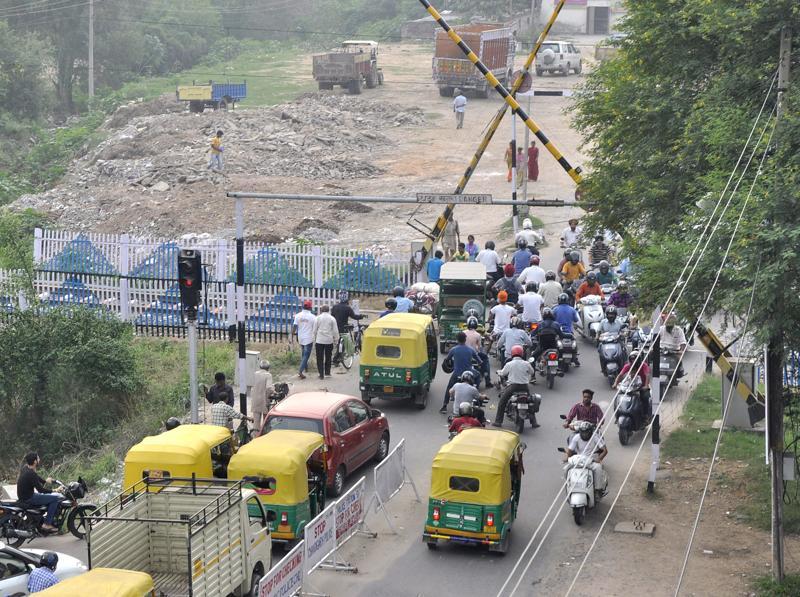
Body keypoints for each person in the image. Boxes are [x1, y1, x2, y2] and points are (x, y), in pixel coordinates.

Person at [493, 345, 538, 428]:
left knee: (502, 402)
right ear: (522, 354)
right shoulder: (526, 363)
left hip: (513, 386)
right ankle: (534, 422)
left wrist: (499, 372)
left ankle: (498, 422)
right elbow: (532, 372)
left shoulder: (509, 364)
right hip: (525, 387)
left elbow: (503, 373)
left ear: (512, 354)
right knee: (530, 402)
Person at [17, 453, 60, 533]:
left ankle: (42, 519)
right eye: (38, 458)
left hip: (24, 496)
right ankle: (47, 524)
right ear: (35, 461)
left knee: (45, 496)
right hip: (29, 498)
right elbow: (40, 489)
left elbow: (36, 477)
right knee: (55, 498)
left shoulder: (25, 468)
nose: (39, 459)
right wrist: (54, 490)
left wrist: (45, 481)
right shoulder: (30, 473)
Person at [440, 332, 480, 413]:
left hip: (457, 374)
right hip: (469, 373)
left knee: (449, 388)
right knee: (478, 375)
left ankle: (444, 405)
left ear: (457, 340)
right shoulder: (470, 349)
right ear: (465, 340)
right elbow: (479, 360)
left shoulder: (453, 349)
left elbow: (447, 360)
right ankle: (475, 395)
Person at [565, 422, 608, 496]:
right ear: (580, 432)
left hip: (591, 460)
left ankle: (598, 490)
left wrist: (599, 459)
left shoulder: (595, 437)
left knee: (598, 468)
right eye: (583, 432)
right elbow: (570, 450)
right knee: (566, 469)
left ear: (590, 432)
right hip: (579, 460)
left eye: (586, 432)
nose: (585, 434)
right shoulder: (576, 437)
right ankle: (569, 486)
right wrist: (568, 458)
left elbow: (604, 450)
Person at [614, 351, 653, 420]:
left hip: (642, 387)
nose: (633, 361)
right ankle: (618, 414)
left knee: (645, 397)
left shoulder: (644, 365)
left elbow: (647, 375)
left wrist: (646, 386)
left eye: (635, 359)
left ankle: (645, 415)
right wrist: (615, 383)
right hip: (630, 387)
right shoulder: (627, 366)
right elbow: (620, 375)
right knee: (618, 397)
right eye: (632, 359)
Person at [464, 316, 492, 387]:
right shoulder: (478, 335)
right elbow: (479, 347)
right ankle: (487, 381)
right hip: (474, 355)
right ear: (476, 325)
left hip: (465, 354)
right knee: (485, 359)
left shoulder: (463, 332)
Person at [313, 305, 339, 379]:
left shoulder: (317, 318)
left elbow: (314, 330)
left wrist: (313, 339)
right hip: (329, 340)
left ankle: (321, 374)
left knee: (319, 357)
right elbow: (335, 331)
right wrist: (336, 340)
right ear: (328, 310)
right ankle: (327, 372)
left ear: (321, 310)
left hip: (319, 340)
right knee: (328, 356)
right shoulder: (332, 319)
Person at [293, 300, 316, 379]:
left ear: (303, 306)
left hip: (300, 337)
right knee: (306, 355)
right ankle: (300, 371)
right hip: (309, 338)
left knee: (303, 353)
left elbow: (295, 326)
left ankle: (306, 368)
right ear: (310, 307)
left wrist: (292, 335)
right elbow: (315, 328)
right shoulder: (313, 317)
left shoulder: (297, 315)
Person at [250, 359, 273, 431]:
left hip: (255, 400)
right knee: (266, 421)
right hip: (264, 400)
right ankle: (264, 436)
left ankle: (255, 436)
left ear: (260, 367)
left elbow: (251, 386)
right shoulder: (268, 375)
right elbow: (269, 388)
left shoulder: (255, 374)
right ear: (268, 368)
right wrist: (273, 392)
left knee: (256, 423)